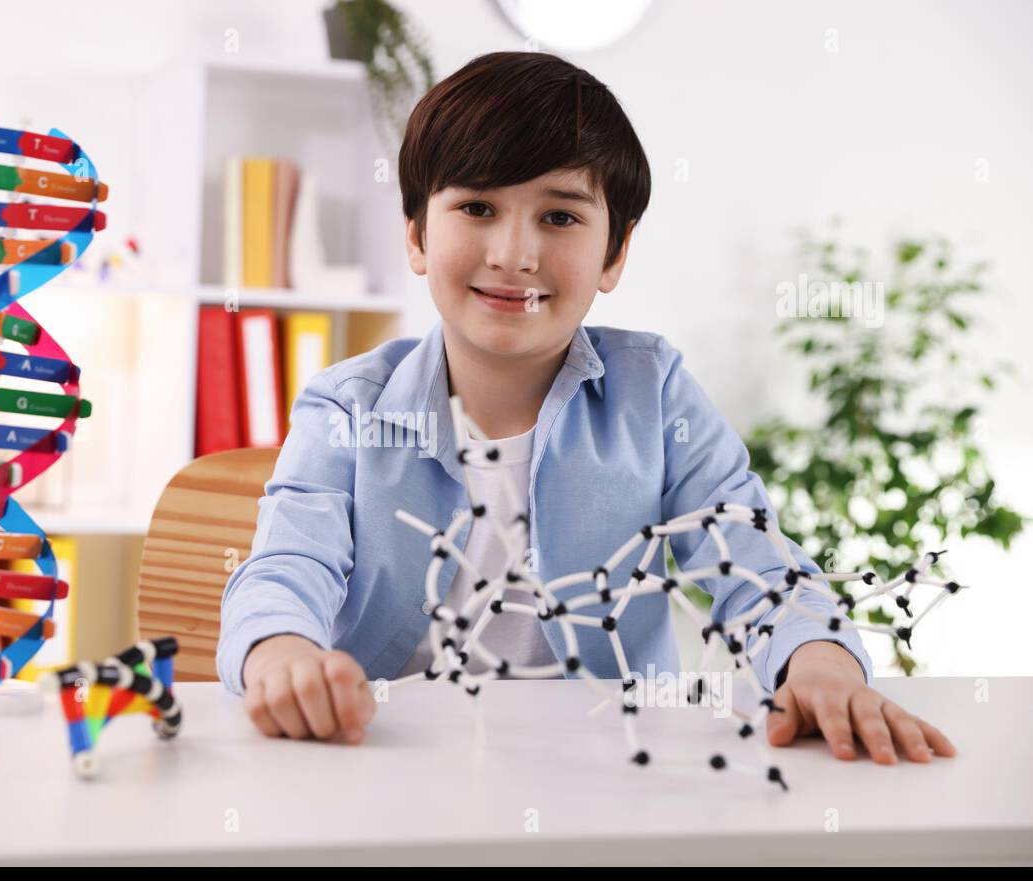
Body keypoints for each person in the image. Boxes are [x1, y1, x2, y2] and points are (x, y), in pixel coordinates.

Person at [217, 51, 956, 766]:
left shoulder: (654, 392)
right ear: (415, 233)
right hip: (379, 763)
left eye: (561, 218)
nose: (515, 253)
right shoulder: (347, 406)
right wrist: (281, 651)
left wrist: (818, 660)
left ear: (615, 253)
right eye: (477, 207)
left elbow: (754, 564)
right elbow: (286, 567)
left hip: (607, 775)